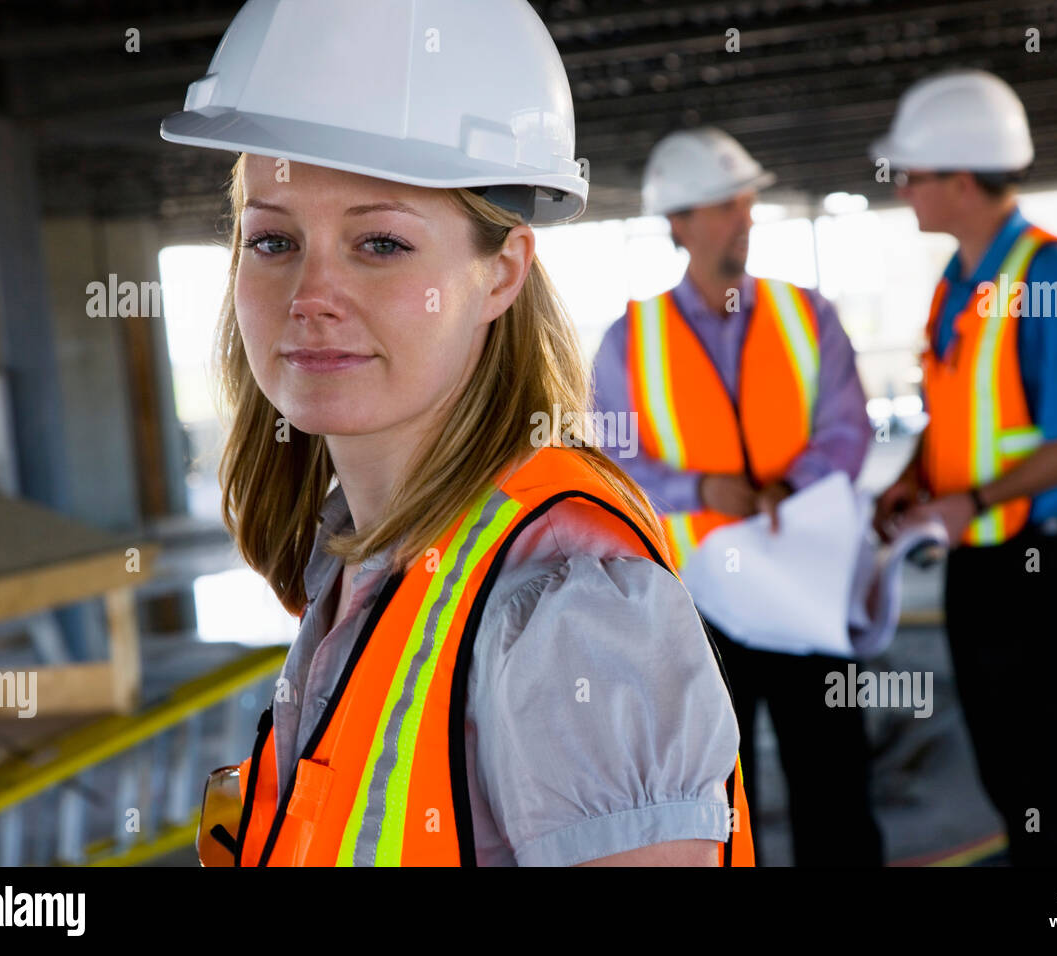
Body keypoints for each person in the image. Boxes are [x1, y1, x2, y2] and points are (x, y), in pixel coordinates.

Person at [163, 0, 753, 867]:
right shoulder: (363, 565)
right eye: (274, 239)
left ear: (502, 274)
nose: (310, 295)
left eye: (381, 244)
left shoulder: (564, 606)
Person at [869, 69, 1057, 867]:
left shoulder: (1054, 277)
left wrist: (975, 500)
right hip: (983, 565)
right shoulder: (958, 284)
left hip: (1050, 569)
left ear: (960, 181)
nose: (902, 192)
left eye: (911, 176)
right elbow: (960, 411)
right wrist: (914, 478)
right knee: (1014, 779)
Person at [592, 127, 882, 866]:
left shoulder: (808, 315)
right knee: (713, 799)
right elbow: (615, 462)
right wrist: (702, 488)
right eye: (723, 206)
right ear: (678, 223)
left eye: (746, 203)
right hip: (698, 606)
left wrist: (796, 482)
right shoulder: (631, 340)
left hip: (806, 590)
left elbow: (848, 428)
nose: (744, 218)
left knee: (836, 785)